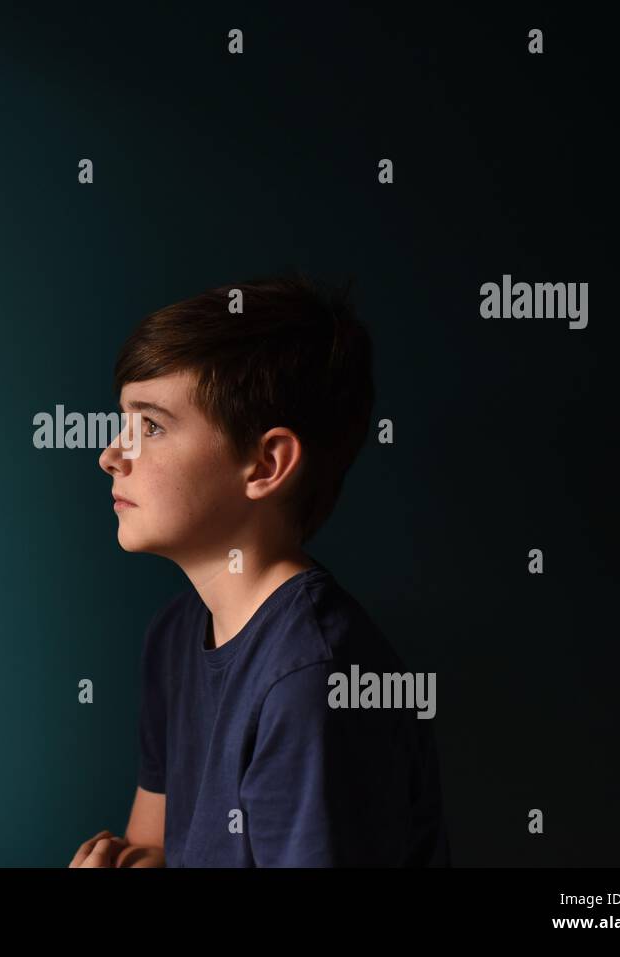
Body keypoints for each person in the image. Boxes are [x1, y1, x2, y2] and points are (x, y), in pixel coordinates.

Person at [69, 271, 450, 867]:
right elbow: (154, 848)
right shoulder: (174, 635)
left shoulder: (311, 680)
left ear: (267, 464)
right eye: (123, 422)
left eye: (152, 426)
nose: (111, 455)